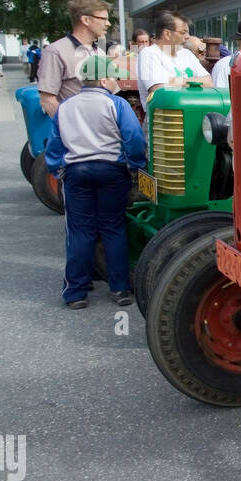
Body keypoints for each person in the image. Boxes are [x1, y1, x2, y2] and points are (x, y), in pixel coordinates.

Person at [43, 56, 147, 309]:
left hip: (76, 172)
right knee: (113, 229)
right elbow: (133, 138)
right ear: (103, 80)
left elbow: (54, 144)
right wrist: (135, 165)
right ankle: (120, 289)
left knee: (80, 231)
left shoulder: (66, 106)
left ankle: (76, 292)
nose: (116, 82)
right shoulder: (117, 104)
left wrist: (56, 169)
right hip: (112, 171)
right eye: (114, 78)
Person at [38, 0, 110, 117]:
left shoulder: (99, 51)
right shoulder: (56, 51)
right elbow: (47, 100)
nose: (108, 23)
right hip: (77, 132)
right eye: (103, 19)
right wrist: (72, 127)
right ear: (85, 20)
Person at [137, 11, 210, 113]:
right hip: (163, 120)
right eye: (183, 32)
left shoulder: (187, 54)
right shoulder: (149, 54)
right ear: (167, 34)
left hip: (192, 113)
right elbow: (159, 91)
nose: (188, 36)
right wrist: (196, 83)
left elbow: (210, 82)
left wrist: (174, 81)